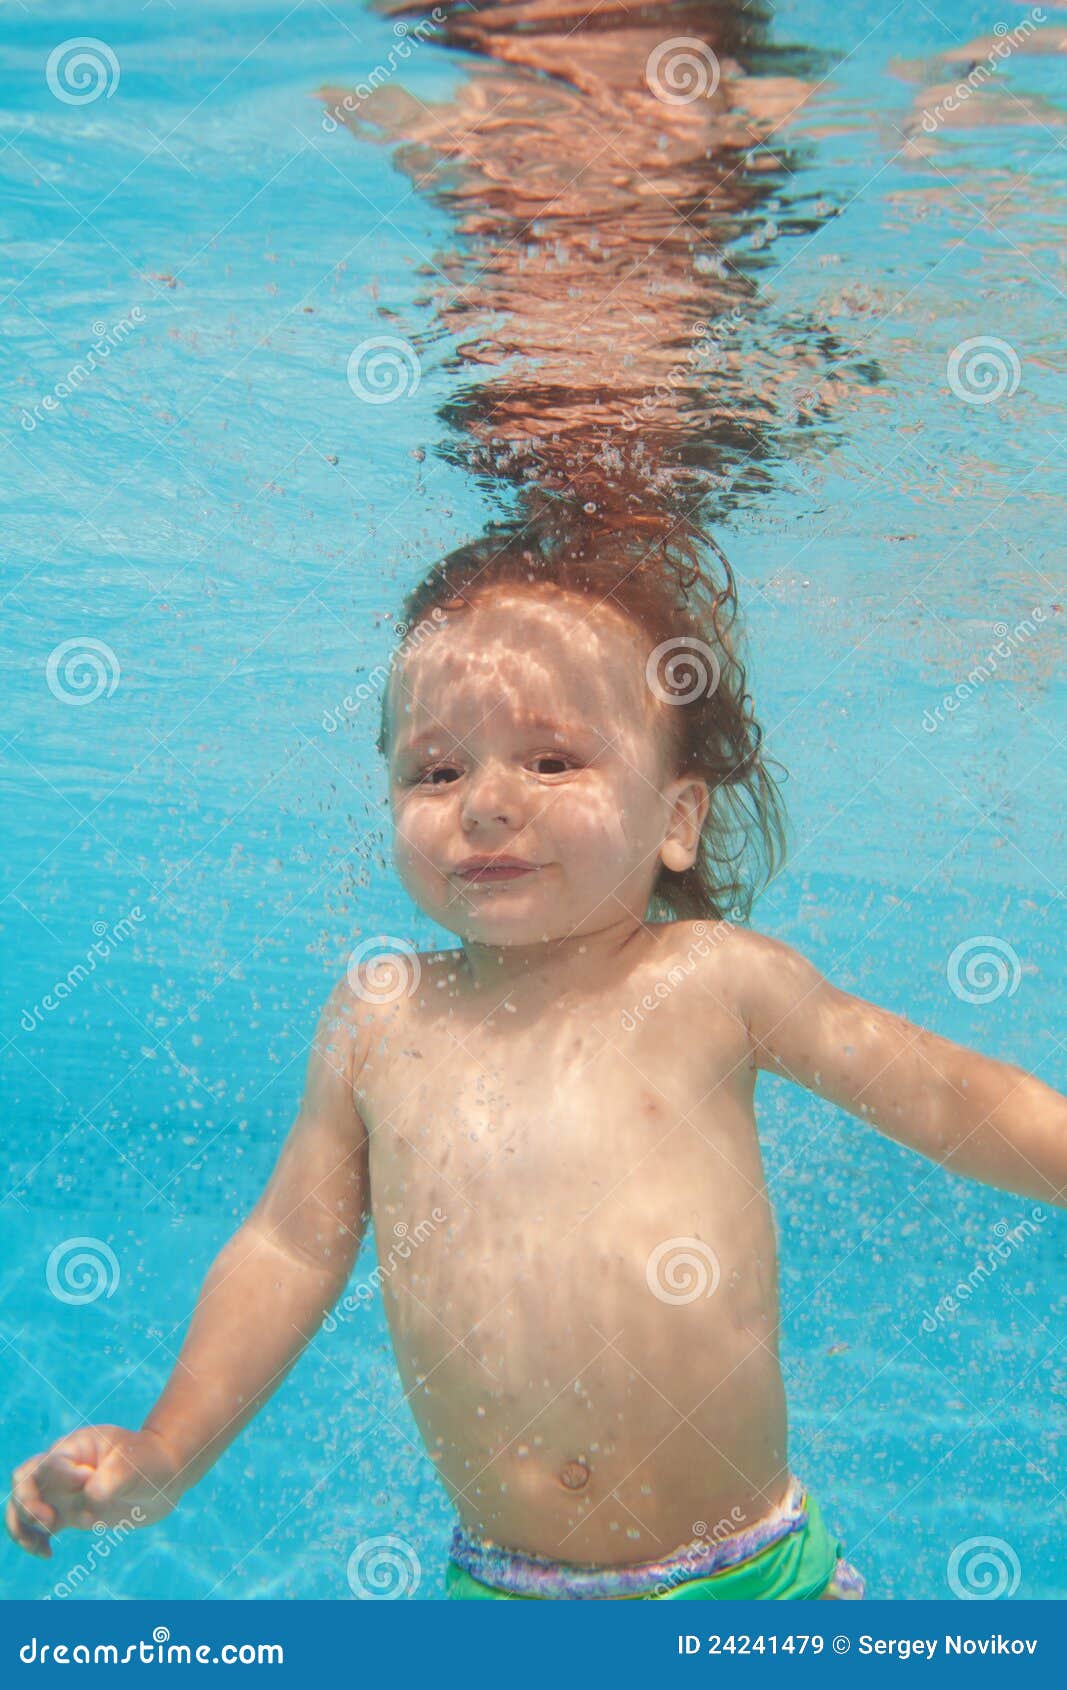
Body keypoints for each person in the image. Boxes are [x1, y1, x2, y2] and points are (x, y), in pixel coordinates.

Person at [7, 506, 1065, 1599]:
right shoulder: (379, 1018)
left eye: (551, 759)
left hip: (753, 1583)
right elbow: (290, 1248)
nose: (487, 804)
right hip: (500, 1596)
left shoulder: (710, 979)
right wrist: (163, 1452)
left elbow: (946, 1100)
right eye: (434, 773)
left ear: (677, 818)